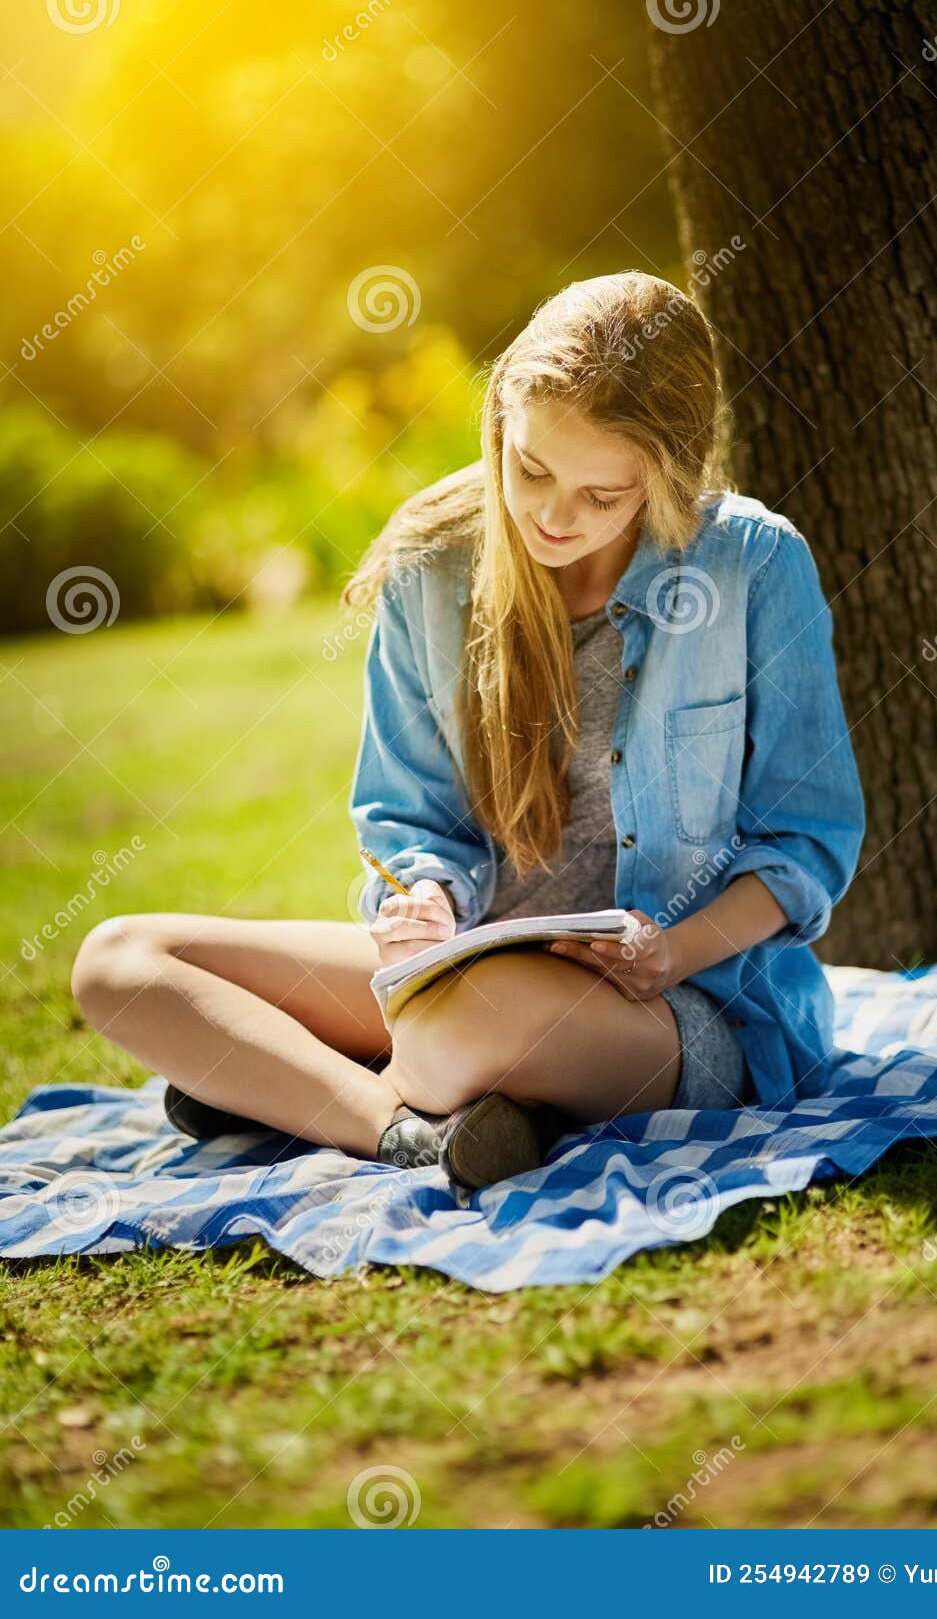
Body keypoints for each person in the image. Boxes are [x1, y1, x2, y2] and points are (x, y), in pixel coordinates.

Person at [71, 271, 865, 1195]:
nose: (553, 517)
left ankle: (293, 1089)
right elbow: (408, 817)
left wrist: (670, 951)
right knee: (120, 962)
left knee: (463, 1029)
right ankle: (399, 1128)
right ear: (500, 420)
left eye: (601, 495)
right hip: (468, 963)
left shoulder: (753, 567)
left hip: (681, 1003)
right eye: (531, 470)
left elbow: (805, 841)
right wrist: (429, 904)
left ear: (667, 475)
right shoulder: (431, 565)